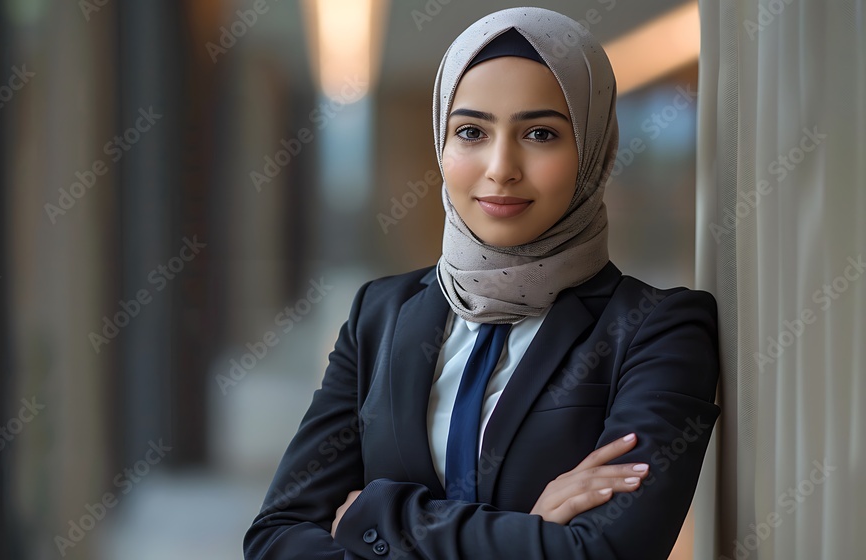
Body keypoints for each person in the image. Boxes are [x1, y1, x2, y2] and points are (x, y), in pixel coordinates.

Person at [244, 7, 720, 559]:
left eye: (540, 134)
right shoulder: (381, 314)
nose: (501, 167)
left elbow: (607, 553)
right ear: (441, 145)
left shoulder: (658, 330)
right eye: (471, 131)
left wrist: (377, 515)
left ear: (591, 149)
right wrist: (532, 532)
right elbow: (275, 538)